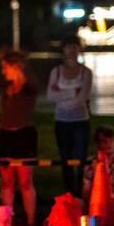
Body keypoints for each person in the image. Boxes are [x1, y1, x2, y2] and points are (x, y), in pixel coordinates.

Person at [0, 49, 38, 226]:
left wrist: (21, 65)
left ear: (15, 67)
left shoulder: (29, 86)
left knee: (25, 181)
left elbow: (31, 84)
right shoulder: (5, 86)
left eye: (5, 67)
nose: (3, 71)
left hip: (24, 135)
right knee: (6, 181)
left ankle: (30, 221)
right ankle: (7, 221)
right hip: (6, 135)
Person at [46, 38, 93, 197]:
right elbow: (50, 96)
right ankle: (68, 194)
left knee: (81, 159)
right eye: (68, 46)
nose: (72, 49)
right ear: (64, 50)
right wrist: (72, 92)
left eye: (75, 46)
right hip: (61, 121)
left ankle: (80, 192)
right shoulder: (56, 71)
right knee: (65, 158)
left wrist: (61, 93)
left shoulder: (85, 72)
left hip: (80, 120)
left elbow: (83, 97)